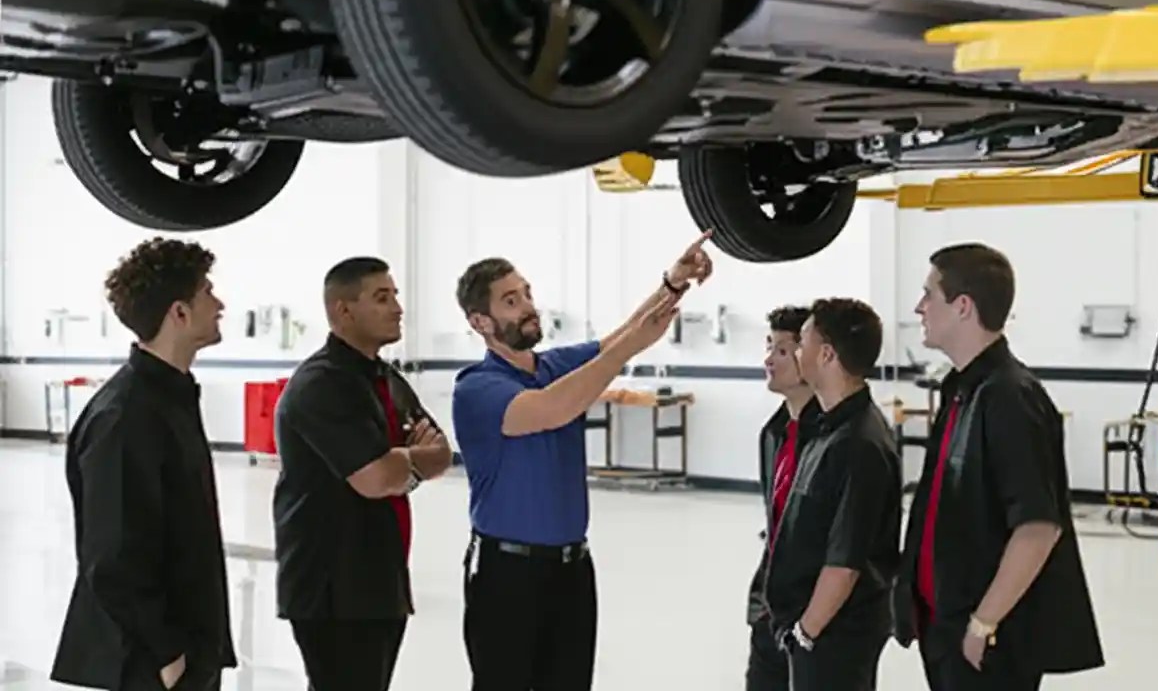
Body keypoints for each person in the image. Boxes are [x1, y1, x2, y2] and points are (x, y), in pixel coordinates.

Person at [451, 232, 714, 691]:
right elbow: (552, 408)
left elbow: (621, 335)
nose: (528, 305)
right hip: (508, 575)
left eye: (527, 293)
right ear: (481, 322)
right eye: (511, 301)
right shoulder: (477, 387)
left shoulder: (555, 364)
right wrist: (627, 349)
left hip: (571, 571)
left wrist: (672, 284)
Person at [891, 243, 1104, 690]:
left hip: (988, 642)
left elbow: (1038, 527)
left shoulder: (1009, 397)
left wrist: (982, 624)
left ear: (963, 306)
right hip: (945, 627)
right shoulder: (963, 389)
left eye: (929, 294)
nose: (919, 307)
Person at [50, 237, 236, 691]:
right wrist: (168, 654)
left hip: (186, 647)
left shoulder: (169, 397)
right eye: (207, 291)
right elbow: (112, 558)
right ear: (179, 313)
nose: (220, 303)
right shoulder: (125, 416)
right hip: (147, 662)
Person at [272, 257, 454, 691]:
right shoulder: (321, 385)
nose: (397, 307)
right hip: (332, 590)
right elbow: (375, 478)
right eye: (381, 297)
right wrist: (407, 462)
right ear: (342, 310)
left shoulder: (385, 378)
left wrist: (402, 463)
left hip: (380, 580)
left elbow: (442, 453)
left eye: (394, 296)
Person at [764, 298, 902, 691]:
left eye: (801, 343)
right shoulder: (827, 429)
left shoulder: (859, 444)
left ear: (825, 355)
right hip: (812, 626)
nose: (794, 352)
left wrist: (806, 632)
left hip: (835, 633)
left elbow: (845, 561)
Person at [745, 304, 823, 691]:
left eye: (780, 350)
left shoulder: (835, 438)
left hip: (817, 615)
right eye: (768, 347)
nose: (768, 360)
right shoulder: (773, 433)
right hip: (771, 609)